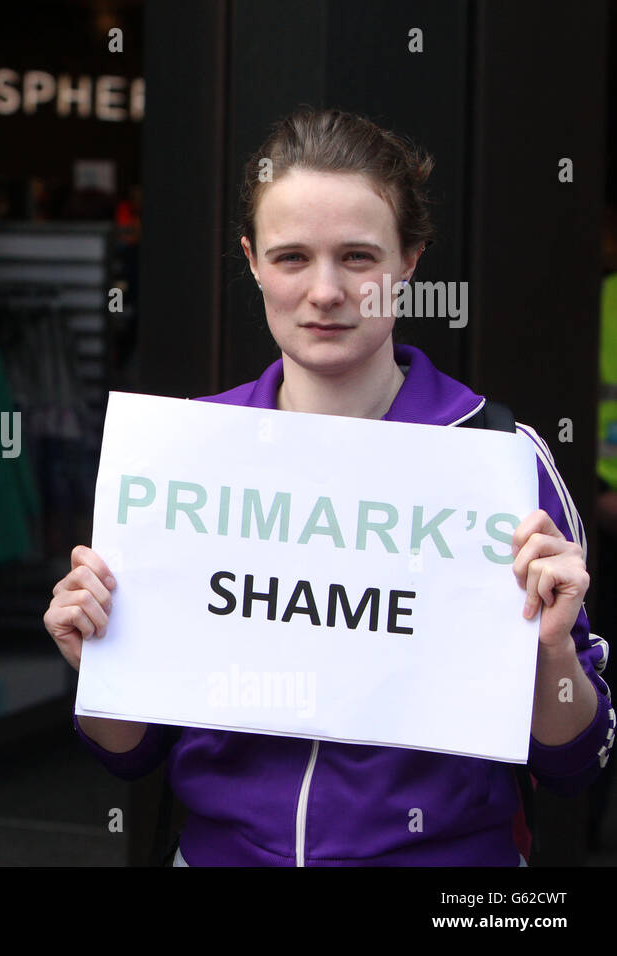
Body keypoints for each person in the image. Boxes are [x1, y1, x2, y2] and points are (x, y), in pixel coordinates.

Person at [44, 108, 614, 866]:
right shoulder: (185, 454)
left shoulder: (496, 455)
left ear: (409, 259)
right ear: (251, 261)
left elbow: (573, 761)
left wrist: (551, 656)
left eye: (357, 257)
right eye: (290, 258)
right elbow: (131, 754)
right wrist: (98, 664)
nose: (325, 291)